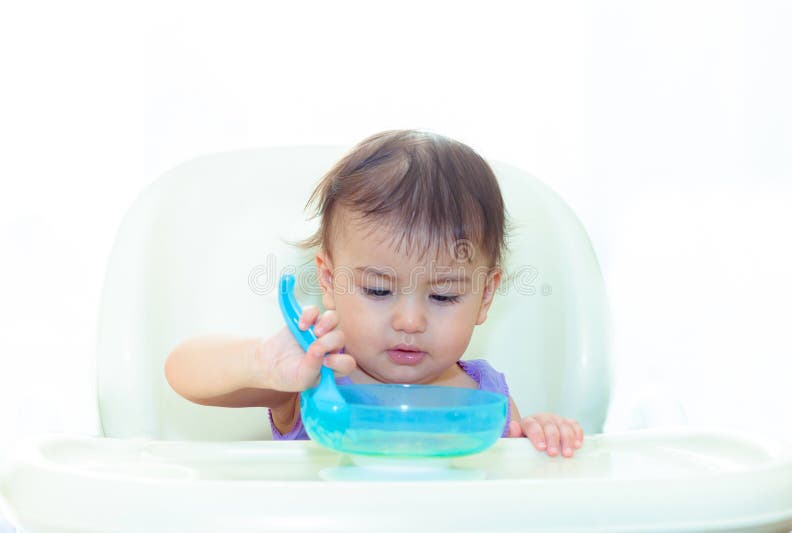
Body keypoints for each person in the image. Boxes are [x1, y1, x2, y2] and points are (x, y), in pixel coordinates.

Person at [165, 129, 584, 458]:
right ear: (328, 281)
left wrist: (536, 442)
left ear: (485, 296)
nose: (410, 321)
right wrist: (259, 363)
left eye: (443, 296)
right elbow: (182, 373)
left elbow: (505, 502)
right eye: (378, 289)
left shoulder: (488, 401)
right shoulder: (314, 380)